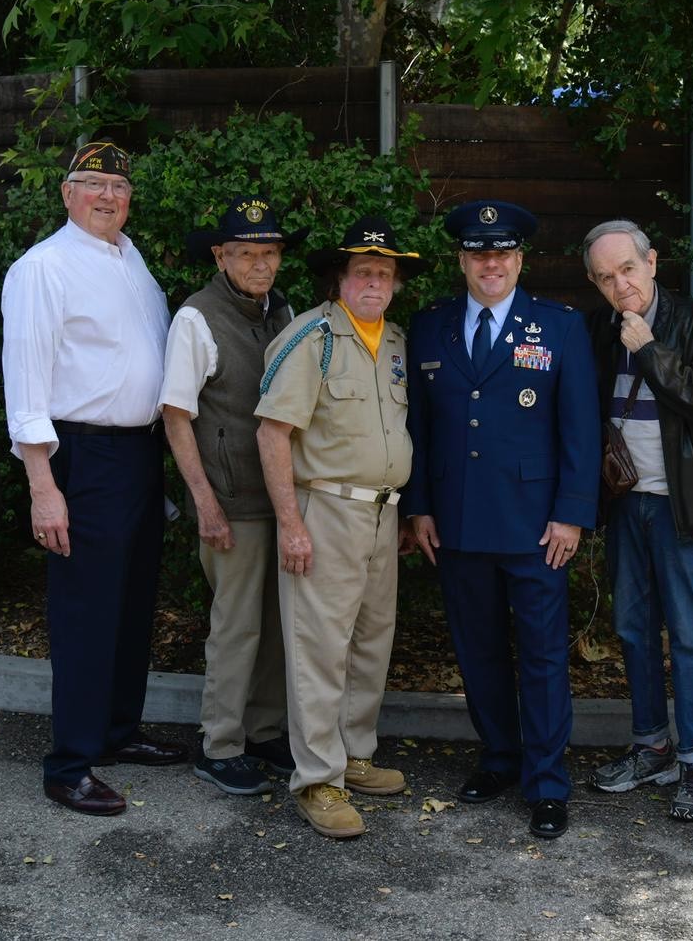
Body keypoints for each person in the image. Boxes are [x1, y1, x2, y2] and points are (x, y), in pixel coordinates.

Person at [403, 200, 600, 841]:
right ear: (462, 260)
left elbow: (580, 429)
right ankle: (499, 758)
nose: (492, 263)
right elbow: (419, 428)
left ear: (520, 260)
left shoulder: (559, 326)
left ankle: (547, 782)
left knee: (542, 656)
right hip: (456, 521)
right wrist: (419, 506)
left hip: (536, 526)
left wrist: (571, 515)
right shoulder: (430, 326)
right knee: (478, 650)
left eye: (503, 252)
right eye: (479, 252)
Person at [2, 139, 184, 817]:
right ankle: (70, 764)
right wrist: (43, 487)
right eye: (93, 184)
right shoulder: (42, 268)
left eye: (119, 188)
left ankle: (116, 731)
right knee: (85, 613)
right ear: (67, 193)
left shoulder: (131, 259)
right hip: (81, 455)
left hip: (137, 455)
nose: (108, 197)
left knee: (132, 604)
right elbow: (25, 384)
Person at [254, 215, 427, 840]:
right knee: (319, 649)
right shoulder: (312, 337)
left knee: (370, 643)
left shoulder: (396, 342)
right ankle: (317, 779)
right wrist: (290, 523)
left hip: (382, 513)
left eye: (385, 273)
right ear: (341, 279)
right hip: (324, 512)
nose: (375, 282)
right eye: (364, 272)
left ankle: (354, 755)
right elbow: (272, 433)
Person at [581, 219, 693, 822]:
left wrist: (649, 348)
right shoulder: (599, 330)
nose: (619, 284)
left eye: (627, 268)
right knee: (632, 629)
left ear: (652, 263)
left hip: (684, 506)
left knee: (691, 636)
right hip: (627, 502)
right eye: (605, 277)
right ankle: (652, 748)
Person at [160, 195, 306, 796]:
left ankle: (264, 731)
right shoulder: (196, 318)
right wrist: (205, 505)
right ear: (220, 257)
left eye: (269, 252)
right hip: (230, 502)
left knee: (275, 625)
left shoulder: (283, 310)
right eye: (246, 253)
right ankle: (219, 745)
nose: (259, 264)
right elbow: (175, 416)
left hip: (280, 500)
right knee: (237, 627)